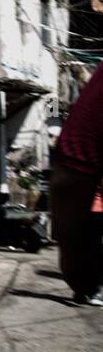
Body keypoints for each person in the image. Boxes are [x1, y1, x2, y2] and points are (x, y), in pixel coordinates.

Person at [51, 64, 103, 306]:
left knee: (76, 231)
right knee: (79, 230)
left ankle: (85, 286)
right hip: (76, 158)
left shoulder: (88, 85)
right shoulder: (54, 92)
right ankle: (87, 286)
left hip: (71, 155)